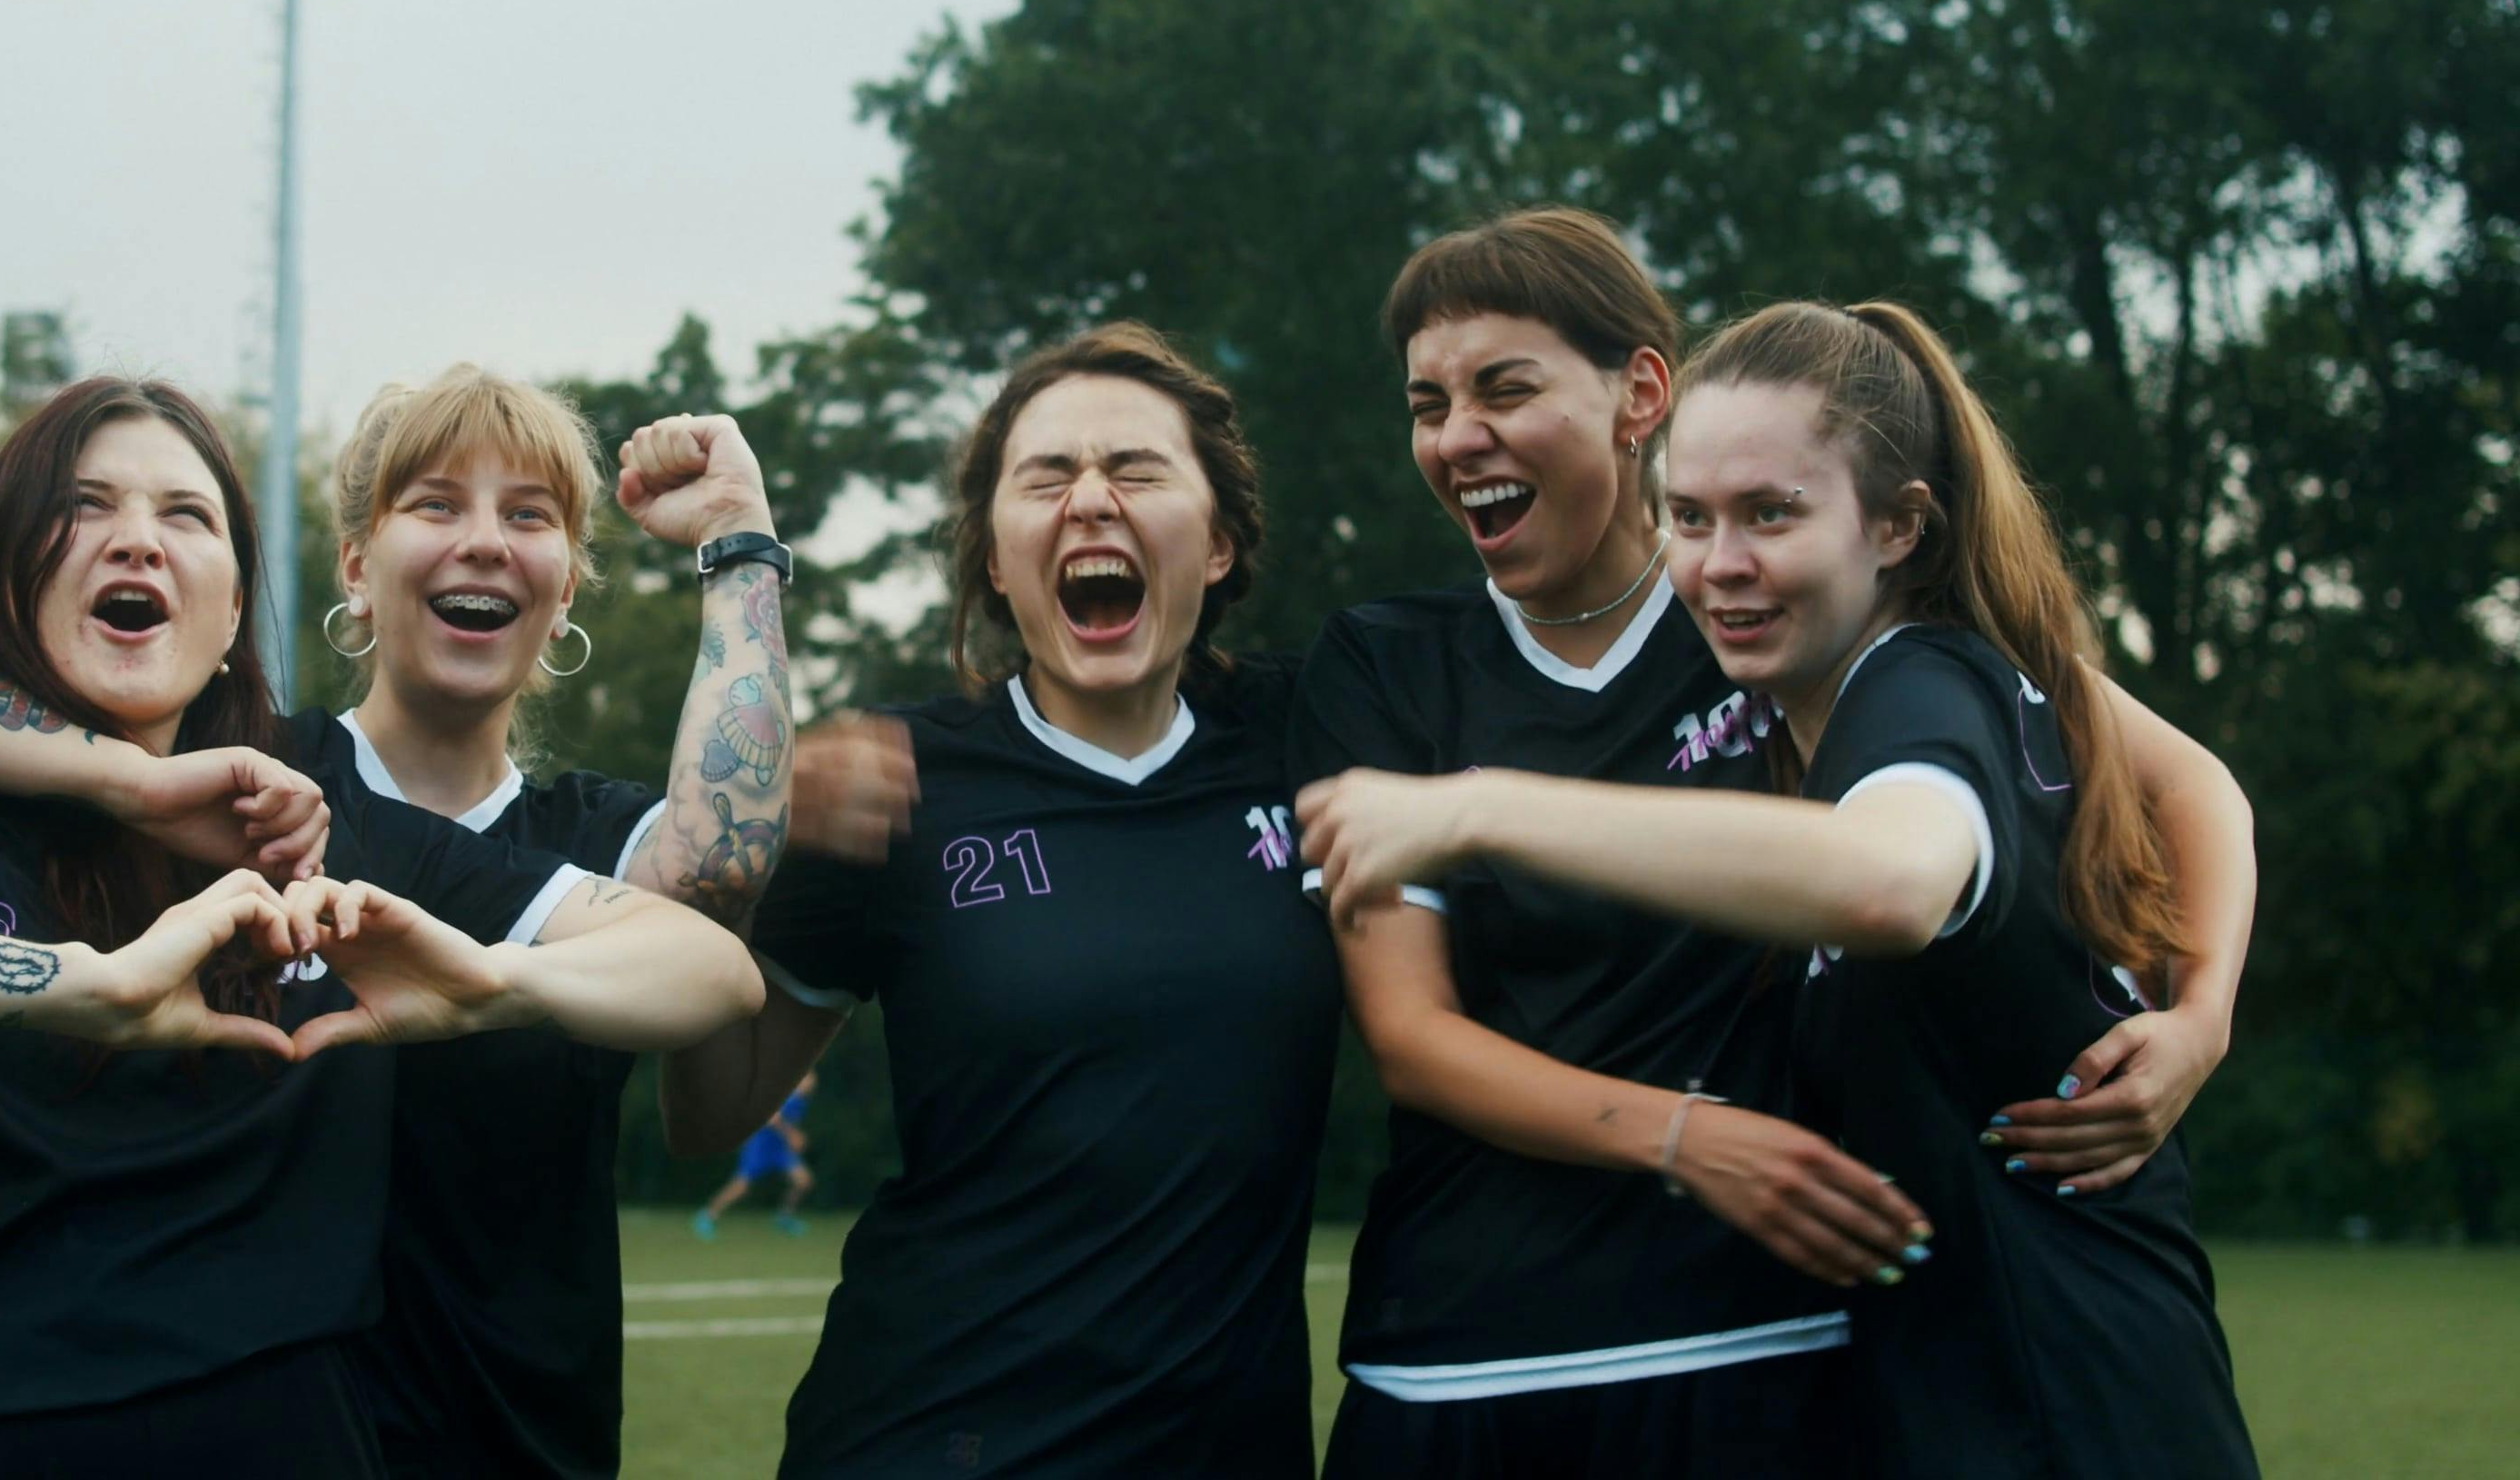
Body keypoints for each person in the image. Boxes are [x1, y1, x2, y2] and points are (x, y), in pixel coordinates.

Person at [0, 374, 762, 1476]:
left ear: (233, 611)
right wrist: (80, 979)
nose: (136, 540)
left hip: (283, 1433)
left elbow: (710, 965)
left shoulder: (313, 825)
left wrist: (485, 981)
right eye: (81, 508)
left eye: (187, 515)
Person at [1292, 212, 2256, 1475]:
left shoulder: (1871, 658)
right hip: (1511, 1349)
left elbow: (2127, 799)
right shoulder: (1431, 658)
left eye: (1506, 386)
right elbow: (1411, 1036)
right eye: (1429, 401)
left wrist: (2203, 1019)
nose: (1724, 558)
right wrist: (1683, 1130)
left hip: (1870, 1366)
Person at [662, 323, 1339, 1479]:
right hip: (935, 1438)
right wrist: (737, 874)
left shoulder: (1318, 737)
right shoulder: (893, 780)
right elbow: (705, 1119)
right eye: (1046, 476)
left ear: (1219, 543)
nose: (1089, 500)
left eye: (1133, 468)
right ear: (993, 558)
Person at [691, 1070, 818, 1238]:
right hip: (760, 1147)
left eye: (812, 1080)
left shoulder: (801, 1102)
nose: (811, 1083)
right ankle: (706, 1216)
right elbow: (771, 1118)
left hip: (779, 1150)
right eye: (807, 1079)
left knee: (803, 1181)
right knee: (740, 1187)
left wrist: (792, 1138)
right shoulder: (789, 1097)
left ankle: (784, 1218)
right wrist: (792, 1135)